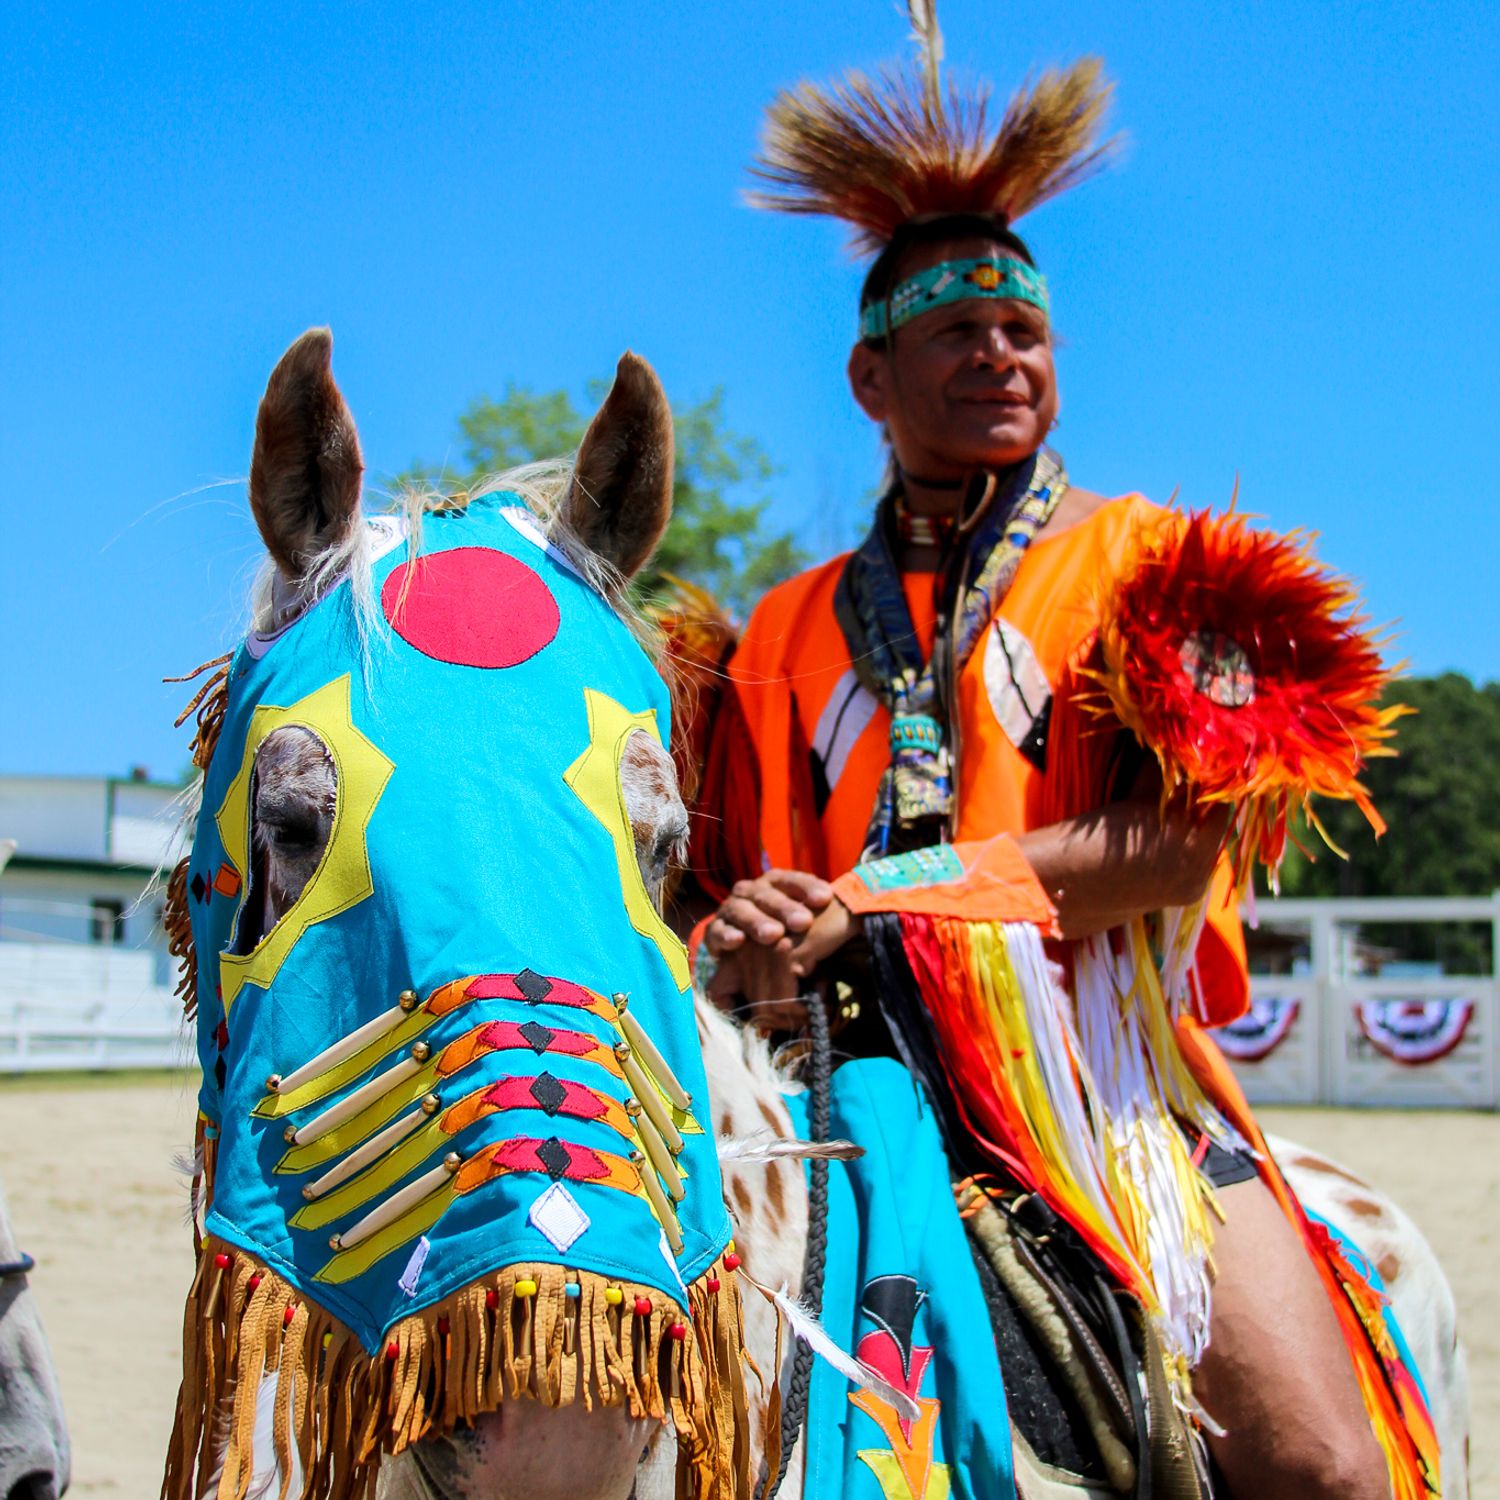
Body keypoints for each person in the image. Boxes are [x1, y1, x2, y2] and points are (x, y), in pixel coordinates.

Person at [682, 26, 1436, 1500]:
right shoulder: (772, 631)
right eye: (957, 334)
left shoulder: (1156, 566)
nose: (1000, 356)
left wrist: (890, 894)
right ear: (870, 380)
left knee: (1321, 1468)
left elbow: (1180, 846)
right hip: (811, 1081)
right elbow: (715, 880)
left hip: (1103, 1105)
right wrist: (752, 924)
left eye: (1023, 332)